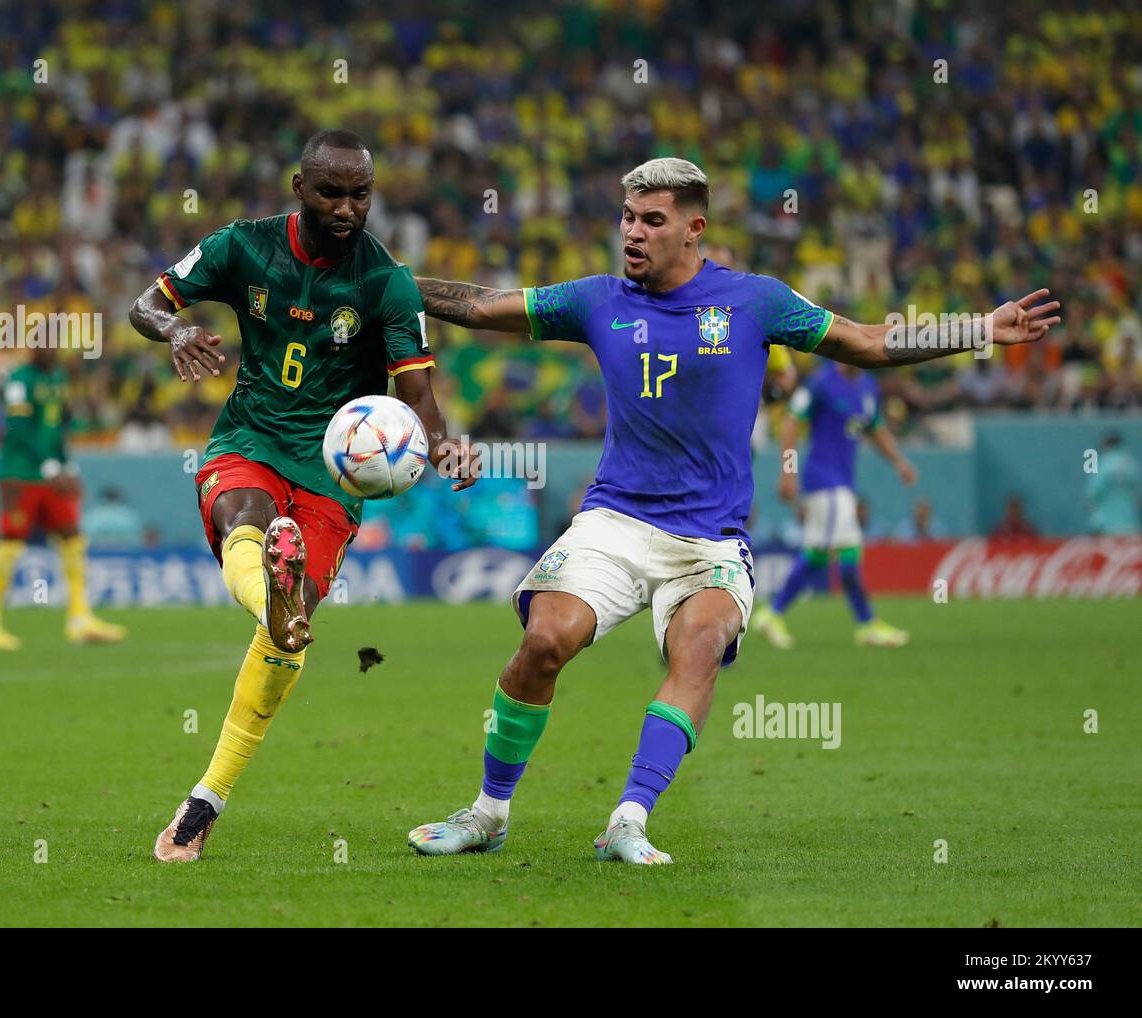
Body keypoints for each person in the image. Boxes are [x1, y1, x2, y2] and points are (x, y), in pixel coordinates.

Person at [406, 157, 1060, 865]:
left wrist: (978, 330)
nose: (633, 233)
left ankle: (629, 818)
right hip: (614, 522)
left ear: (694, 228)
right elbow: (479, 304)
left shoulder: (755, 302)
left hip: (710, 541)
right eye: (627, 218)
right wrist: (392, 285)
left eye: (652, 221)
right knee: (543, 643)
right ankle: (489, 812)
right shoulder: (596, 299)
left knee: (700, 646)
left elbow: (869, 343)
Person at [128, 129, 477, 863]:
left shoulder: (388, 282)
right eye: (331, 191)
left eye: (361, 193)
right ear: (299, 187)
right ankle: (270, 601)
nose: (348, 207)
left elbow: (418, 392)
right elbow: (145, 304)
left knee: (288, 639)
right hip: (249, 438)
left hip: (334, 472)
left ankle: (205, 798)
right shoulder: (242, 247)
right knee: (244, 526)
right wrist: (177, 327)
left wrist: (442, 443)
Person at [751, 362, 918, 650]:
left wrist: (899, 462)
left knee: (817, 553)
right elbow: (791, 421)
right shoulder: (821, 382)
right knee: (848, 546)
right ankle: (867, 623)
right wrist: (788, 471)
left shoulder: (867, 386)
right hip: (825, 482)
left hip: (844, 482)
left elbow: (875, 429)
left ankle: (772, 613)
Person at [0, 347, 127, 650]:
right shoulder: (18, 380)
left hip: (52, 472)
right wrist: (48, 463)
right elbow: (18, 428)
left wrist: (65, 462)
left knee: (72, 539)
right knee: (11, 541)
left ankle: (80, 618)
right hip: (19, 473)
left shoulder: (57, 377)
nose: (51, 349)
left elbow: (56, 426)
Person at [1086, 432, 1140, 535]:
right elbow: (1139, 499)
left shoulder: (1103, 465)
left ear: (1106, 445)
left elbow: (1091, 497)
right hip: (1130, 526)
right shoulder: (1132, 465)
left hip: (1105, 527)